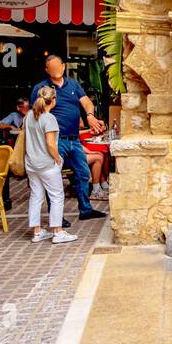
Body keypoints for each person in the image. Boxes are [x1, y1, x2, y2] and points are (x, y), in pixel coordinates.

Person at [30, 55, 106, 221]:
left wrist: (90, 116)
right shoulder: (41, 88)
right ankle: (56, 217)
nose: (56, 69)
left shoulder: (73, 84)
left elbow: (86, 102)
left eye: (59, 66)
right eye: (52, 67)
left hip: (74, 139)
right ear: (47, 70)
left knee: (83, 173)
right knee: (54, 178)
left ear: (63, 67)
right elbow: (35, 114)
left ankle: (85, 210)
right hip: (55, 140)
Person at [23, 86, 77, 245]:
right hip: (47, 164)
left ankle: (37, 231)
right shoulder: (49, 118)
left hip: (31, 164)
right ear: (53, 100)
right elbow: (50, 144)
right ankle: (58, 231)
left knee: (36, 196)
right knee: (56, 196)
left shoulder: (29, 116)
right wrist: (58, 158)